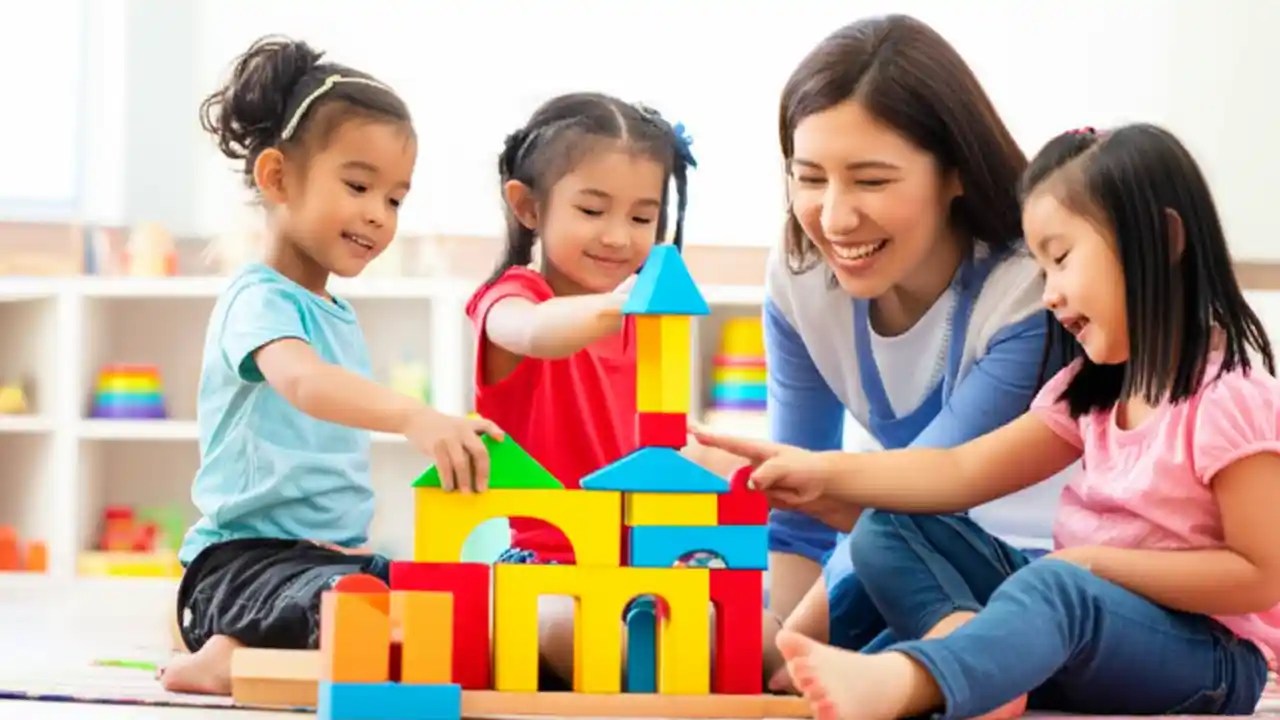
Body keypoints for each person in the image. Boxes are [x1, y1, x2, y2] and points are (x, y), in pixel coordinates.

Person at [703, 123, 1279, 719]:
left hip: (1210, 656)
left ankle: (915, 675)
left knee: (1054, 586)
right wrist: (821, 473)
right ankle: (905, 663)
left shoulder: (1232, 400)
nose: (1050, 295)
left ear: (1160, 239)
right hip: (1081, 629)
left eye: (1059, 260)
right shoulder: (1091, 395)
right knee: (893, 523)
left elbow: (1262, 576)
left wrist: (1090, 564)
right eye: (1042, 271)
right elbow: (957, 470)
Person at [714, 14, 1067, 688]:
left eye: (872, 181)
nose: (835, 217)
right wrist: (768, 647)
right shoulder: (799, 274)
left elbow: (928, 490)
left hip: (1039, 573)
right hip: (902, 559)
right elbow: (800, 513)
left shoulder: (1029, 289)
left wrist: (791, 642)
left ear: (956, 171)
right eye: (810, 178)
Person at [159, 35, 501, 696]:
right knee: (350, 599)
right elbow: (304, 381)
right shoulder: (256, 299)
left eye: (395, 199)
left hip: (328, 560)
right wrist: (412, 415)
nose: (378, 214)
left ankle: (273, 648)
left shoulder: (332, 311)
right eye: (358, 186)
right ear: (277, 177)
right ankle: (228, 653)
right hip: (239, 564)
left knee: (440, 597)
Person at [465, 91, 703, 685]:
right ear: (528, 207)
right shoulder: (513, 300)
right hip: (543, 569)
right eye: (593, 211)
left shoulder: (645, 326)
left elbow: (661, 447)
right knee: (572, 629)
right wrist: (614, 306)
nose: (619, 237)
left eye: (642, 217)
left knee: (764, 630)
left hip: (642, 567)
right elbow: (532, 332)